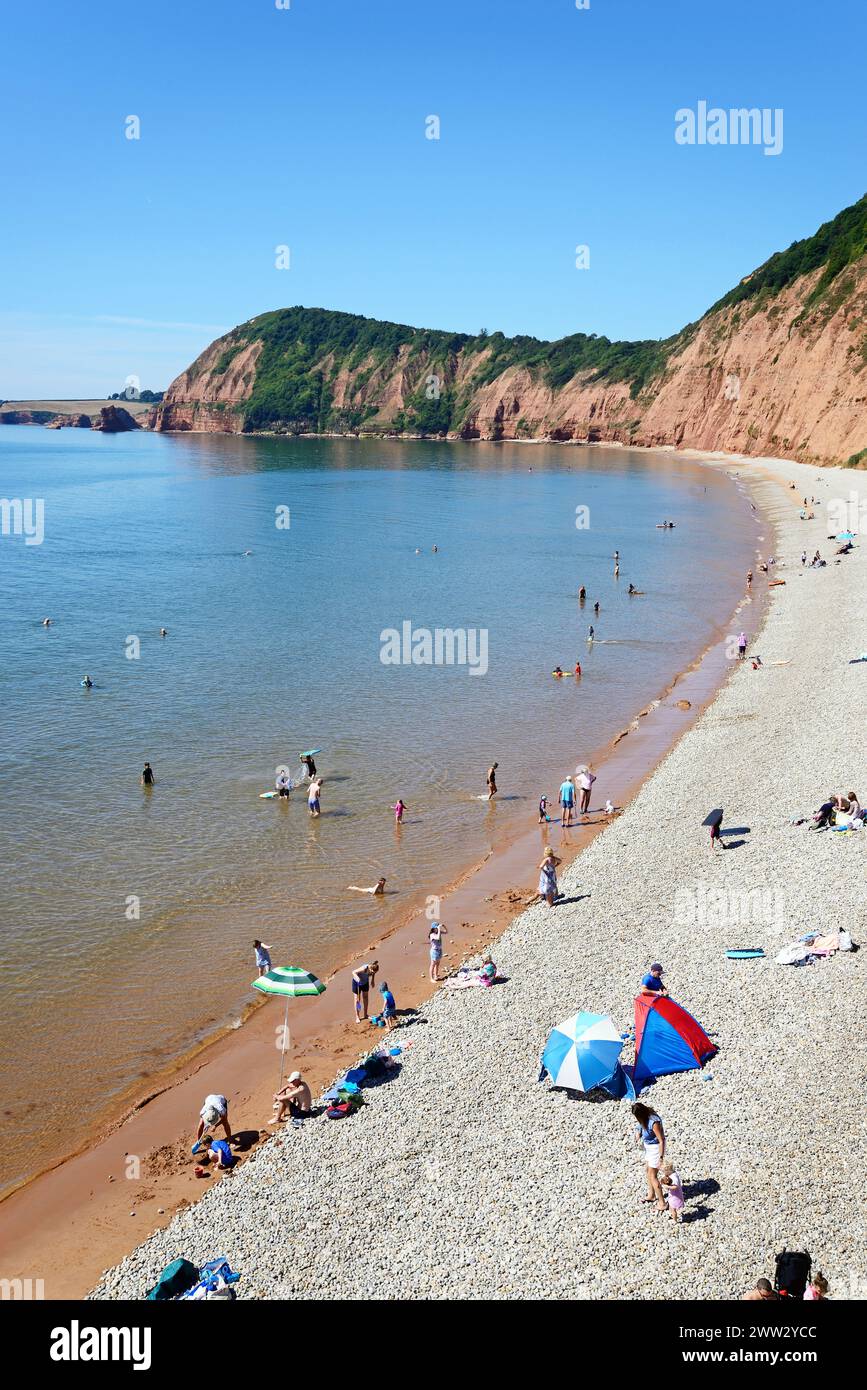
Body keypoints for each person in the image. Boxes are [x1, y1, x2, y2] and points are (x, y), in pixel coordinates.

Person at [632, 1102, 666, 1212]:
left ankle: (662, 1203)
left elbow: (661, 1141)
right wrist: (638, 1132)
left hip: (655, 1149)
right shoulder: (644, 1117)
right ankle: (651, 1195)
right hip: (648, 1148)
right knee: (648, 1171)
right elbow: (640, 1126)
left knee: (653, 1176)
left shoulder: (653, 1122)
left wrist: (661, 1158)